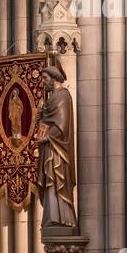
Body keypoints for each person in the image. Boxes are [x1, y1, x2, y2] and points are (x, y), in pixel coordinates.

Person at [36, 64, 78, 228]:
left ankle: (63, 218)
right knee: (49, 182)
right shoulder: (53, 97)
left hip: (58, 149)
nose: (44, 82)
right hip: (50, 147)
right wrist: (39, 117)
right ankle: (52, 217)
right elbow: (47, 122)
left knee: (56, 180)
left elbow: (61, 124)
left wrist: (46, 138)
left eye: (46, 79)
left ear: (54, 79)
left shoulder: (63, 96)